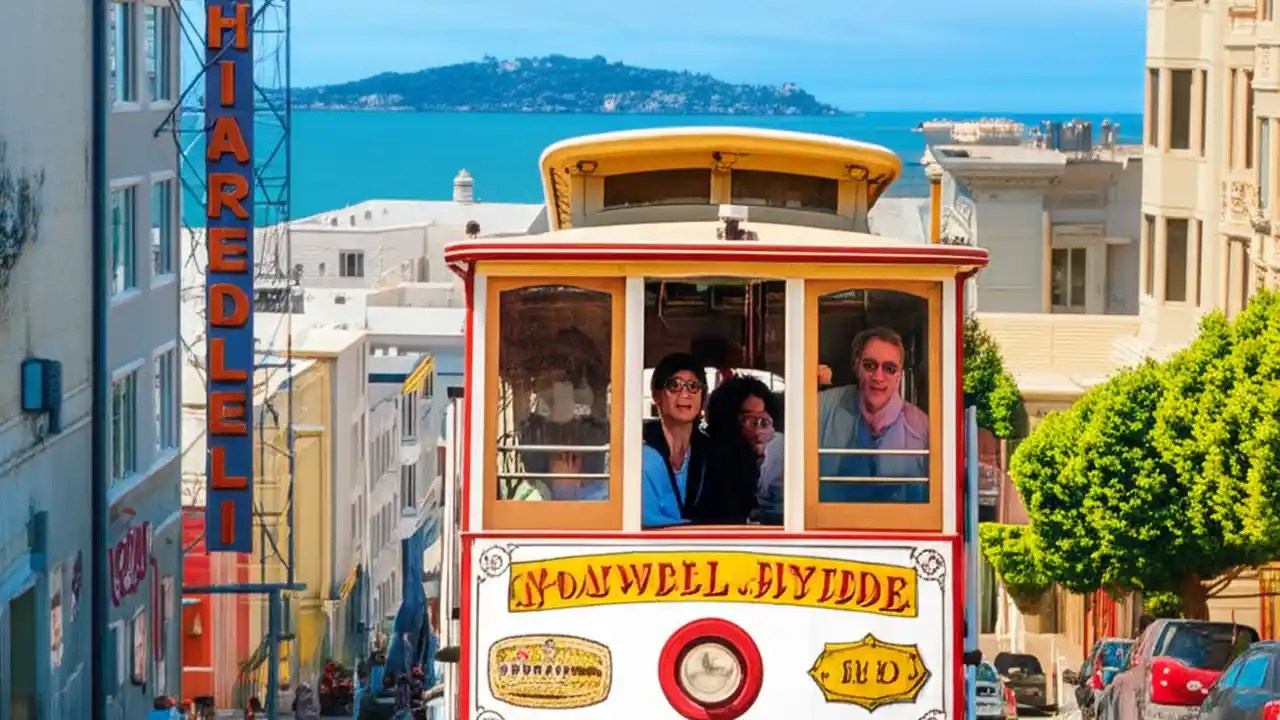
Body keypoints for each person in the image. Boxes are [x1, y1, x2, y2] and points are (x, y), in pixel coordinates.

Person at [816, 326, 929, 503]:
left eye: (889, 368)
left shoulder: (921, 428)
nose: (878, 376)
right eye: (870, 365)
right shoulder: (821, 407)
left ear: (899, 375)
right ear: (856, 366)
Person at [641, 353, 710, 528]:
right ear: (656, 396)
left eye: (693, 386)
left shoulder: (715, 452)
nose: (685, 394)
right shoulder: (637, 446)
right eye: (675, 385)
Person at [704, 375, 780, 524]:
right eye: (749, 420)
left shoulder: (779, 451)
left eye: (763, 421)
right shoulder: (710, 459)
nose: (758, 429)